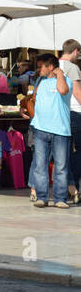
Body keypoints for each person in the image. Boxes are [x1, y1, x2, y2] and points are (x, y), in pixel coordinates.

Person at [29, 52, 72, 208]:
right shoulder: (40, 82)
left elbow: (62, 91)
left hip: (60, 130)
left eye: (42, 67)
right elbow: (33, 98)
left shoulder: (66, 81)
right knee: (40, 165)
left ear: (51, 67)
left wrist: (59, 73)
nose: (40, 70)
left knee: (61, 166)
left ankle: (60, 199)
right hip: (40, 129)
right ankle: (42, 197)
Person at [59, 39, 81, 200]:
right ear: (75, 51)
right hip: (75, 112)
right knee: (77, 152)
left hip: (61, 114)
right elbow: (77, 92)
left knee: (63, 154)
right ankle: (75, 188)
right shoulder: (72, 67)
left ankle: (67, 188)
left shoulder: (53, 66)